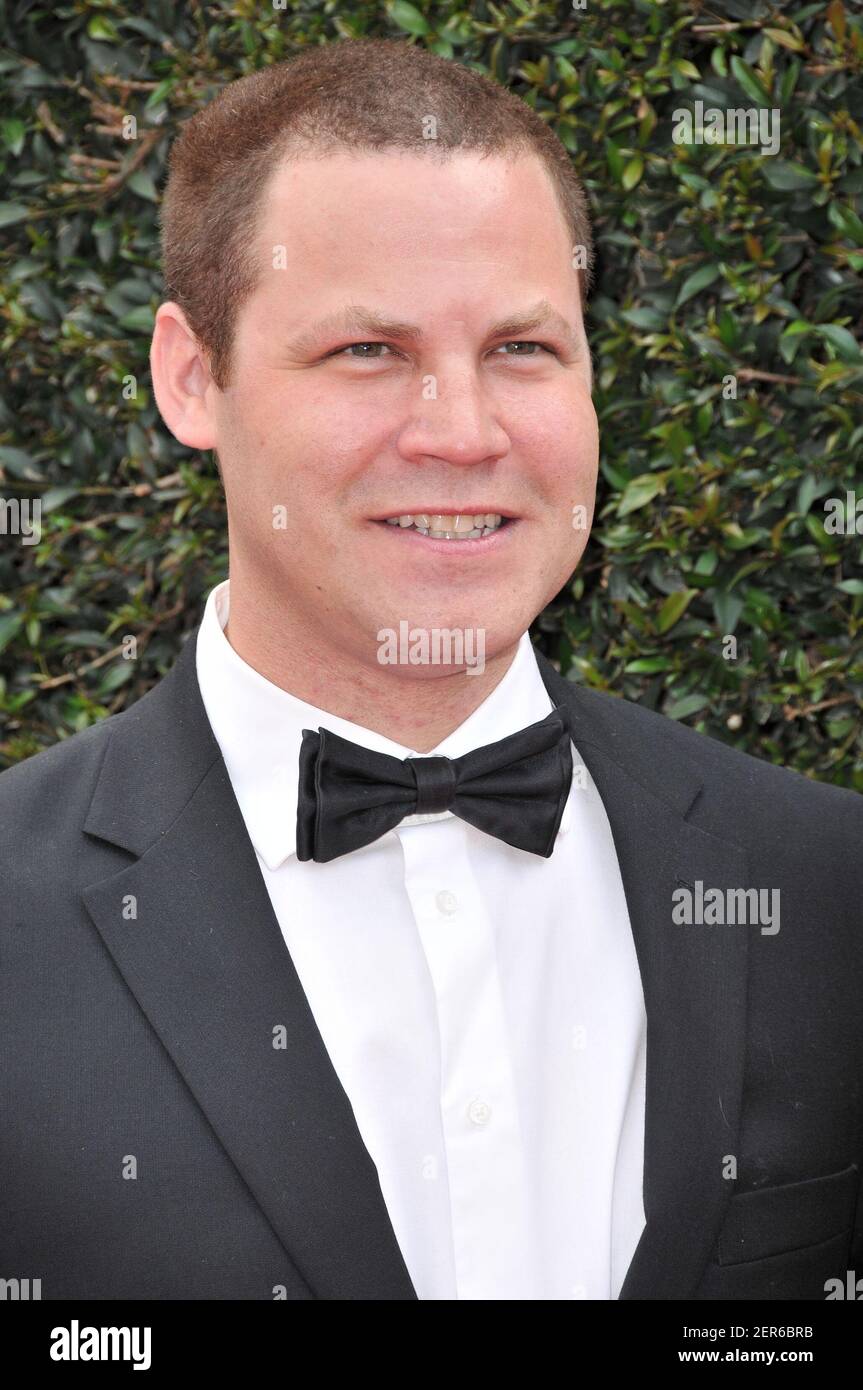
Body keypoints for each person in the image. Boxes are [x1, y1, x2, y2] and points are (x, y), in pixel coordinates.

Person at [1, 37, 861, 1302]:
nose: (460, 432)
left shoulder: (826, 887)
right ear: (193, 377)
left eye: (521, 349)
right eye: (365, 352)